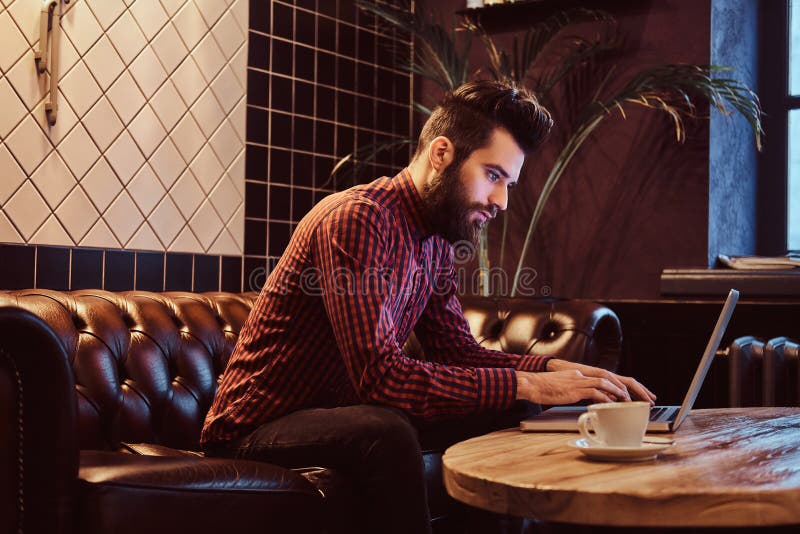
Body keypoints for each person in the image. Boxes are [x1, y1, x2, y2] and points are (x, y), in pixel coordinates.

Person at [201, 80, 656, 533]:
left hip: (339, 416)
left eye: (508, 184)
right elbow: (380, 377)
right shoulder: (357, 219)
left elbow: (459, 352)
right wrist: (527, 384)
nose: (501, 202)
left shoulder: (437, 236)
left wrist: (550, 371)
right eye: (493, 175)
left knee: (510, 408)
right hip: (254, 428)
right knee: (386, 430)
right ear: (442, 154)